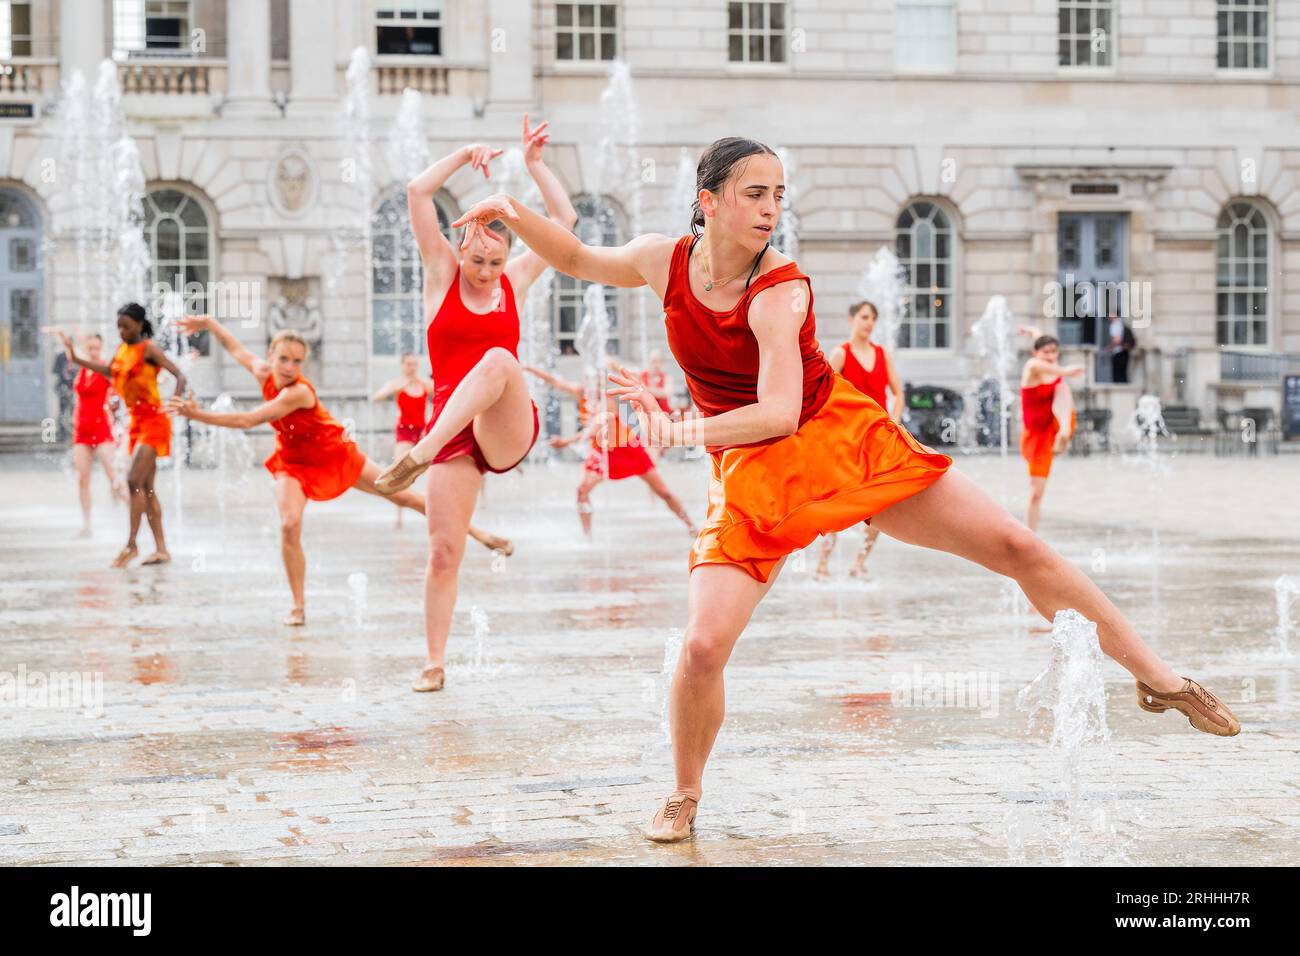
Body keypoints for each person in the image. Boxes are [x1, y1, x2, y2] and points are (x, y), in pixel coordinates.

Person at [451, 135, 1241, 842]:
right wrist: (508, 209)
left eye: (778, 195)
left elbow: (778, 410)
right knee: (699, 647)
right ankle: (685, 793)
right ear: (710, 200)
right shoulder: (665, 261)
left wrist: (675, 431)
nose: (770, 208)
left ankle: (1159, 677)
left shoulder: (782, 287)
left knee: (1016, 545)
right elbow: (580, 258)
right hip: (753, 469)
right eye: (755, 193)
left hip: (839, 437)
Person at [371, 114, 577, 693]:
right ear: (461, 249)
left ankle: (421, 450)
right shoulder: (439, 273)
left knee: (499, 361)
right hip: (453, 435)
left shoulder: (515, 277)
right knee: (442, 551)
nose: (487, 273)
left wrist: (533, 167)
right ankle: (434, 661)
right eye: (478, 261)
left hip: (505, 425)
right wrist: (465, 153)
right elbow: (418, 191)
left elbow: (564, 222)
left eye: (495, 261)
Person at [169, 317, 426, 627]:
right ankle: (298, 605)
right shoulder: (263, 372)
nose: (289, 367)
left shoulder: (298, 392)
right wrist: (210, 323)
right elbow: (234, 348)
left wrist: (197, 415)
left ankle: (472, 530)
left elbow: (248, 420)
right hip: (291, 462)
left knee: (398, 494)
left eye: (297, 361)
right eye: (284, 359)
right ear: (270, 356)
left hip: (333, 454)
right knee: (289, 525)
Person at [58, 303, 186, 568]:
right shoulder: (122, 350)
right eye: (118, 327)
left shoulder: (148, 349)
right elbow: (110, 372)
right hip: (138, 424)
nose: (121, 331)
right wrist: (77, 359)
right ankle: (162, 549)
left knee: (133, 480)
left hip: (155, 422)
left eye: (126, 326)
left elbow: (179, 374)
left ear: (140, 325)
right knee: (147, 489)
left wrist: (176, 400)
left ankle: (131, 545)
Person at [525, 364, 696, 538]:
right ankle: (587, 537)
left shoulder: (606, 401)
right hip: (601, 451)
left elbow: (594, 428)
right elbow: (554, 380)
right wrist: (528, 368)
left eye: (595, 381)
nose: (591, 385)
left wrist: (567, 441)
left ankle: (691, 526)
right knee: (582, 490)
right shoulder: (581, 392)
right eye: (589, 380)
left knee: (663, 491)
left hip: (627, 449)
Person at [371, 354, 513, 551]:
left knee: (438, 468)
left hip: (423, 430)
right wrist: (394, 389)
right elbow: (375, 397)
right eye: (408, 364)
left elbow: (445, 397)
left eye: (414, 364)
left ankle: (446, 502)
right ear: (402, 366)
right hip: (404, 431)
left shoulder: (425, 384)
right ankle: (399, 514)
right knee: (399, 467)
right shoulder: (397, 384)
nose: (411, 367)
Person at [816, 300, 903, 580]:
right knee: (837, 502)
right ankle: (822, 564)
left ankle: (859, 562)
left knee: (881, 502)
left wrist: (894, 420)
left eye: (873, 318)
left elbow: (898, 393)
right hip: (846, 437)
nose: (869, 323)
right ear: (852, 319)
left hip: (878, 436)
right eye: (865, 317)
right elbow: (821, 392)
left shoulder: (882, 353)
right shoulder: (841, 353)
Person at [1017, 325, 1082, 533]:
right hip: (1037, 436)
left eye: (1054, 352)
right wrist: (1065, 371)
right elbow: (1040, 364)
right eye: (1046, 352)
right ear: (1036, 353)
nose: (1051, 356)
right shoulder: (1032, 367)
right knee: (1036, 494)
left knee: (1062, 388)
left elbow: (1041, 338)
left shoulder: (1050, 364)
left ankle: (1064, 432)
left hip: (1056, 423)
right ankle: (1031, 535)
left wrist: (1032, 331)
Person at [66, 332, 126, 536]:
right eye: (89, 348)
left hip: (102, 429)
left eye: (96, 348)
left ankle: (135, 515)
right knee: (83, 478)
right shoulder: (82, 370)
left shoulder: (104, 369)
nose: (92, 352)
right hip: (82, 431)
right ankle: (86, 524)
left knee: (113, 476)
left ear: (101, 349)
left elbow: (123, 385)